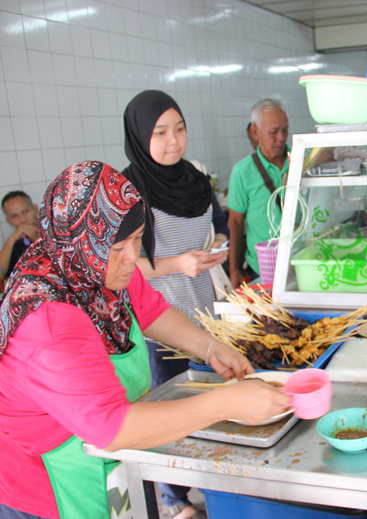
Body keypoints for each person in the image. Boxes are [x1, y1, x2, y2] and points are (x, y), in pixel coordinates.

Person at [0, 161, 288, 519]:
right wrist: (226, 404)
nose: (133, 257)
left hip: (108, 459)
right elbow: (112, 427)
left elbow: (149, 309)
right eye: (120, 246)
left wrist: (212, 347)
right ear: (82, 241)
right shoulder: (47, 321)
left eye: (137, 240)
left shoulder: (94, 261)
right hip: (50, 484)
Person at [122, 90, 229, 519]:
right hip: (156, 321)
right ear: (140, 136)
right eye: (161, 132)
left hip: (202, 309)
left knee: (201, 399)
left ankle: (203, 481)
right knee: (167, 407)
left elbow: (218, 224)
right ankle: (173, 498)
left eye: (179, 129)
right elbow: (128, 266)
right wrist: (177, 263)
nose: (174, 141)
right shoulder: (130, 188)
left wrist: (217, 247)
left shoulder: (195, 177)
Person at [228, 99, 289, 287]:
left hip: (298, 260)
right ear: (255, 132)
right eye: (274, 132)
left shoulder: (299, 161)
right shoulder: (242, 171)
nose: (281, 137)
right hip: (263, 268)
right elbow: (236, 223)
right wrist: (234, 270)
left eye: (285, 130)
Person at [0, 191, 40, 279]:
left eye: (25, 211)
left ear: (35, 209)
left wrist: (39, 240)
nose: (22, 220)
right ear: (9, 221)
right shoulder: (15, 246)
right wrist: (11, 239)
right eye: (14, 216)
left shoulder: (57, 230)